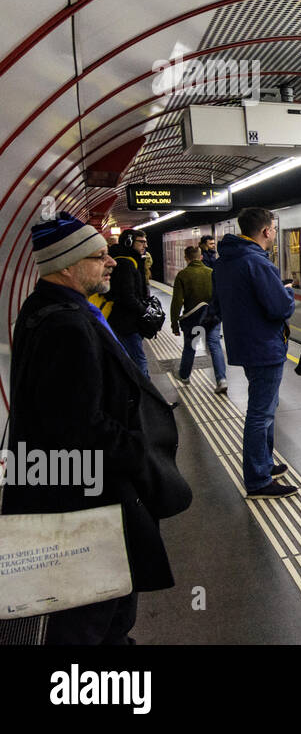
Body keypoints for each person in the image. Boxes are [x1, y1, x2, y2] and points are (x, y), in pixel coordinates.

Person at [3, 213, 191, 644]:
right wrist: (139, 451)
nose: (112, 263)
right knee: (97, 614)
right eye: (99, 256)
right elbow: (80, 425)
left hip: (69, 486)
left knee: (101, 610)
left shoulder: (45, 309)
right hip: (89, 498)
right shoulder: (67, 325)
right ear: (67, 265)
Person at [211, 207, 297, 499]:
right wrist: (287, 292)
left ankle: (264, 464)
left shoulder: (225, 262)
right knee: (260, 413)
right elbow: (279, 308)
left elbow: (219, 305)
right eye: (273, 228)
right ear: (266, 231)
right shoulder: (257, 263)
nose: (273, 233)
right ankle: (258, 480)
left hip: (244, 344)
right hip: (265, 346)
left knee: (265, 409)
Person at [170, 244, 228, 394]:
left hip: (193, 320)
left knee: (191, 347)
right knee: (215, 345)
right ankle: (221, 379)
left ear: (186, 258)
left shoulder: (183, 275)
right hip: (212, 317)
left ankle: (184, 376)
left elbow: (176, 302)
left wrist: (174, 324)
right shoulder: (211, 272)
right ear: (201, 257)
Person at [105, 228, 152, 379]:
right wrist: (145, 310)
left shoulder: (130, 260)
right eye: (141, 242)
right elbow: (128, 297)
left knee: (132, 359)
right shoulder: (125, 264)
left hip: (124, 320)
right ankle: (148, 399)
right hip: (126, 322)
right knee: (139, 360)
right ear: (129, 242)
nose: (145, 245)